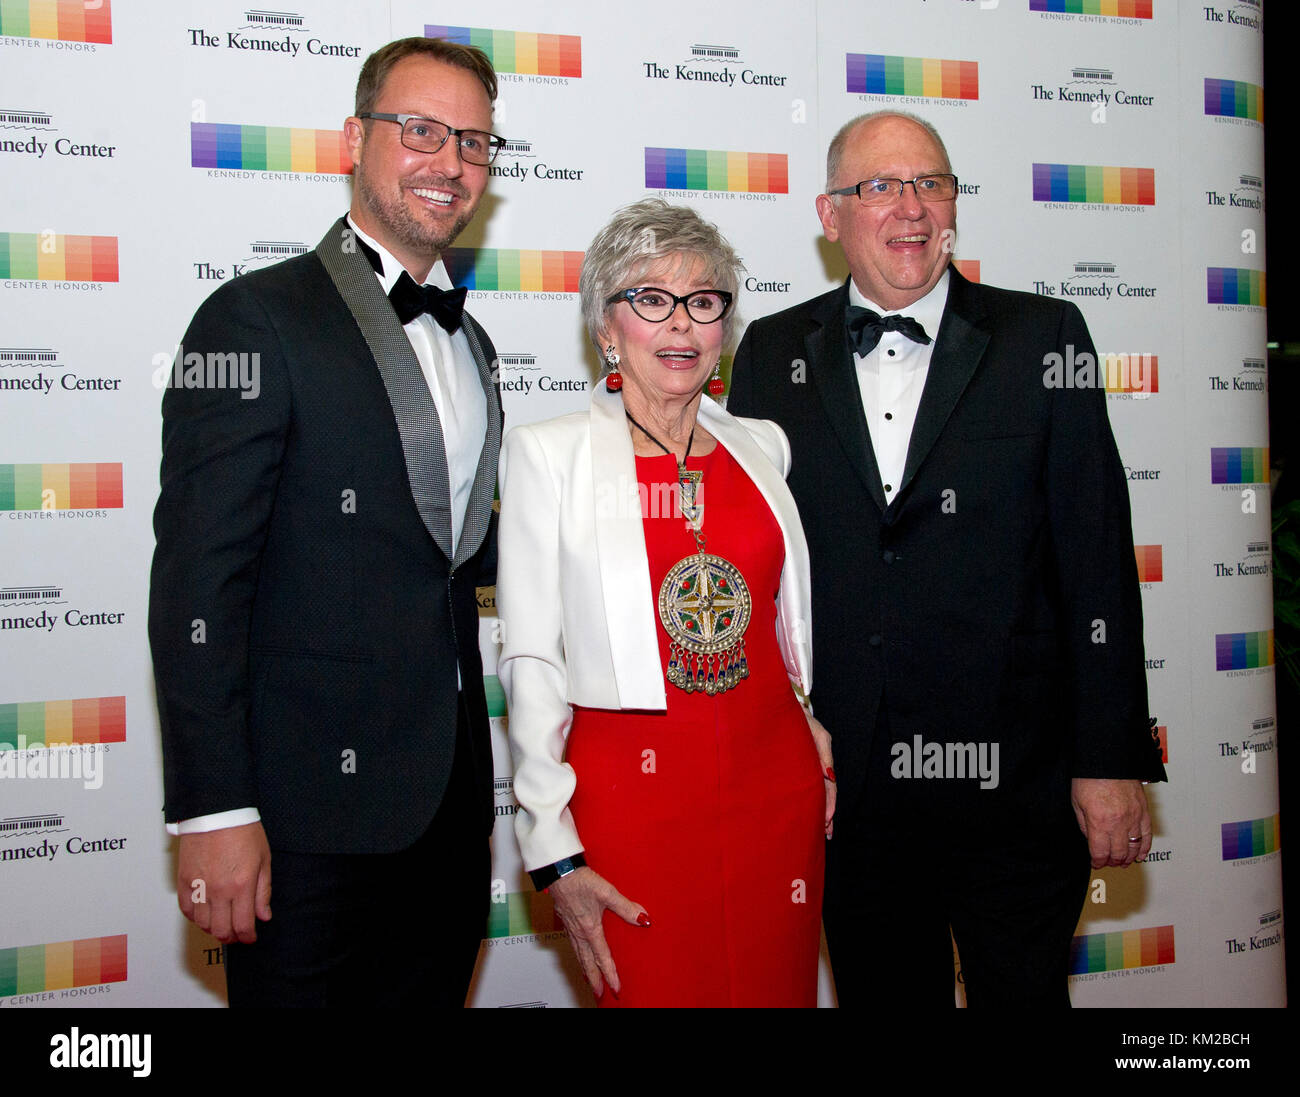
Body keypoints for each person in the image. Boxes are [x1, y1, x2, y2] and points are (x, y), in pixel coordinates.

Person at [728, 111, 1167, 1008]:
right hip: (850, 795)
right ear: (829, 213)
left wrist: (1110, 758)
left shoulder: (1046, 336)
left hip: (1016, 783)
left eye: (932, 183)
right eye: (880, 186)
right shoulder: (772, 353)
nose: (912, 207)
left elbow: (1096, 558)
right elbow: (755, 564)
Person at [148, 37, 504, 1006]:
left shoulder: (471, 341)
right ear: (355, 138)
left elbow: (456, 556)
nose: (450, 162)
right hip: (300, 826)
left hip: (447, 816)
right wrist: (215, 808)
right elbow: (197, 585)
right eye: (421, 129)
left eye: (473, 141)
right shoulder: (251, 319)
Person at [496, 199, 834, 1007]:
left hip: (775, 793)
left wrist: (806, 711)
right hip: (631, 804)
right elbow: (532, 656)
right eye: (651, 300)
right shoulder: (550, 456)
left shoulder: (764, 447)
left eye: (704, 300)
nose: (681, 324)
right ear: (606, 329)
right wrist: (554, 847)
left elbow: (779, 621)